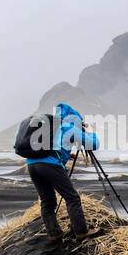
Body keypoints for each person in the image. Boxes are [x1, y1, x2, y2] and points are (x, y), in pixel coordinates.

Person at [23, 102, 98, 241]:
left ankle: (54, 234)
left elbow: (49, 147)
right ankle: (82, 232)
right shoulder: (69, 127)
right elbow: (93, 144)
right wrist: (91, 132)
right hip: (50, 165)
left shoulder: (51, 126)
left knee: (47, 200)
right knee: (72, 197)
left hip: (32, 164)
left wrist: (66, 154)